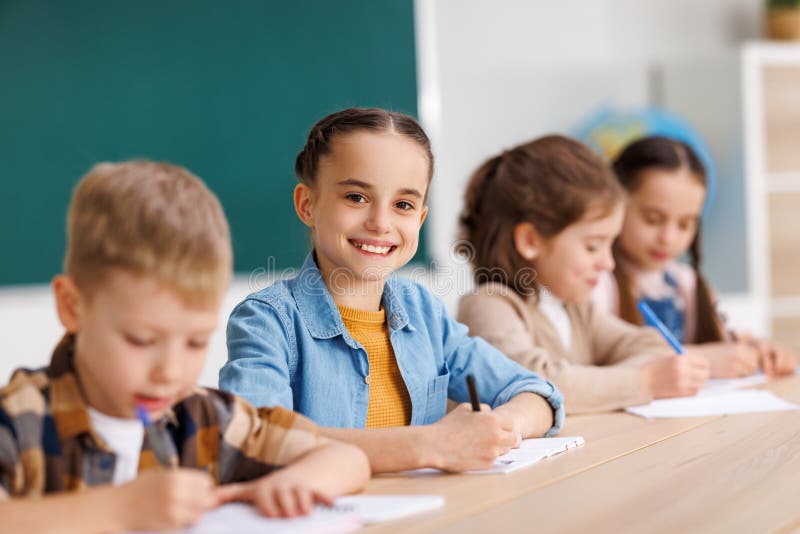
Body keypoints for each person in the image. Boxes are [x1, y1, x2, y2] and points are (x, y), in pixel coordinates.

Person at [0, 161, 369, 533]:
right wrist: (122, 510)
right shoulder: (18, 421)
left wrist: (296, 482)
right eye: (141, 340)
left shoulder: (205, 417)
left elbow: (347, 459)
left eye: (196, 342)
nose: (171, 372)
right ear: (71, 307)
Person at [221, 108, 563, 473]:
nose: (380, 223)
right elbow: (254, 438)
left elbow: (537, 393)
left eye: (403, 205)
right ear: (308, 204)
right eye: (356, 197)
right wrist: (431, 445)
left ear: (420, 219)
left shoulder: (425, 314)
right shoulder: (266, 320)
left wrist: (500, 428)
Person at [457, 135, 710, 414]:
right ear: (531, 241)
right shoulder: (489, 305)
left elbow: (653, 346)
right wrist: (643, 382)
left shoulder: (575, 310)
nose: (608, 263)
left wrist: (593, 386)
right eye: (593, 246)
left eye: (609, 244)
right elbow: (534, 384)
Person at [593, 135, 796, 378]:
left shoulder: (685, 283)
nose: (667, 238)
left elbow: (734, 337)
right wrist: (703, 358)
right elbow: (593, 364)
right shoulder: (597, 281)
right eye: (652, 219)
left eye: (685, 224)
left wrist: (760, 349)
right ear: (616, 203)